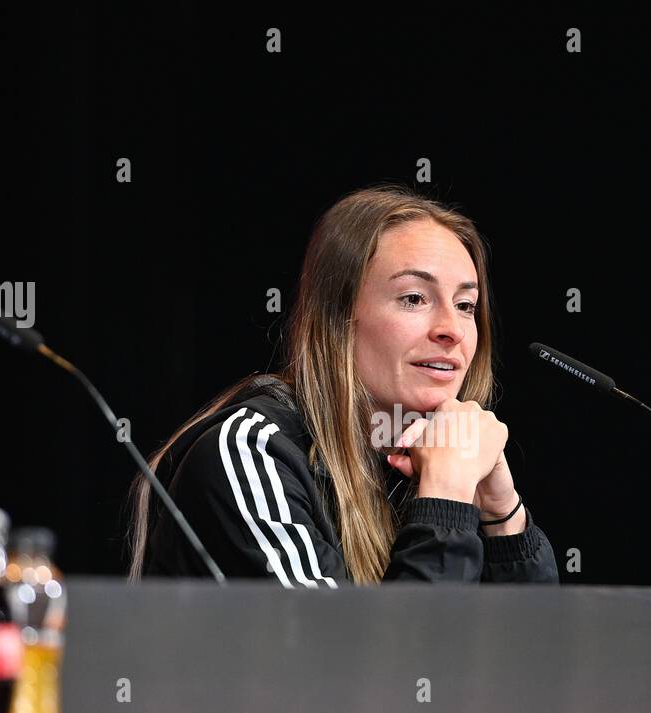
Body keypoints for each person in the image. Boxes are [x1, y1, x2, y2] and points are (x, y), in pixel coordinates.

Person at [127, 184, 558, 586]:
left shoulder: (418, 453)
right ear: (339, 320)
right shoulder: (248, 453)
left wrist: (503, 516)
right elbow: (350, 661)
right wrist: (444, 500)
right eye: (413, 298)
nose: (453, 329)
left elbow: (538, 655)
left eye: (466, 305)